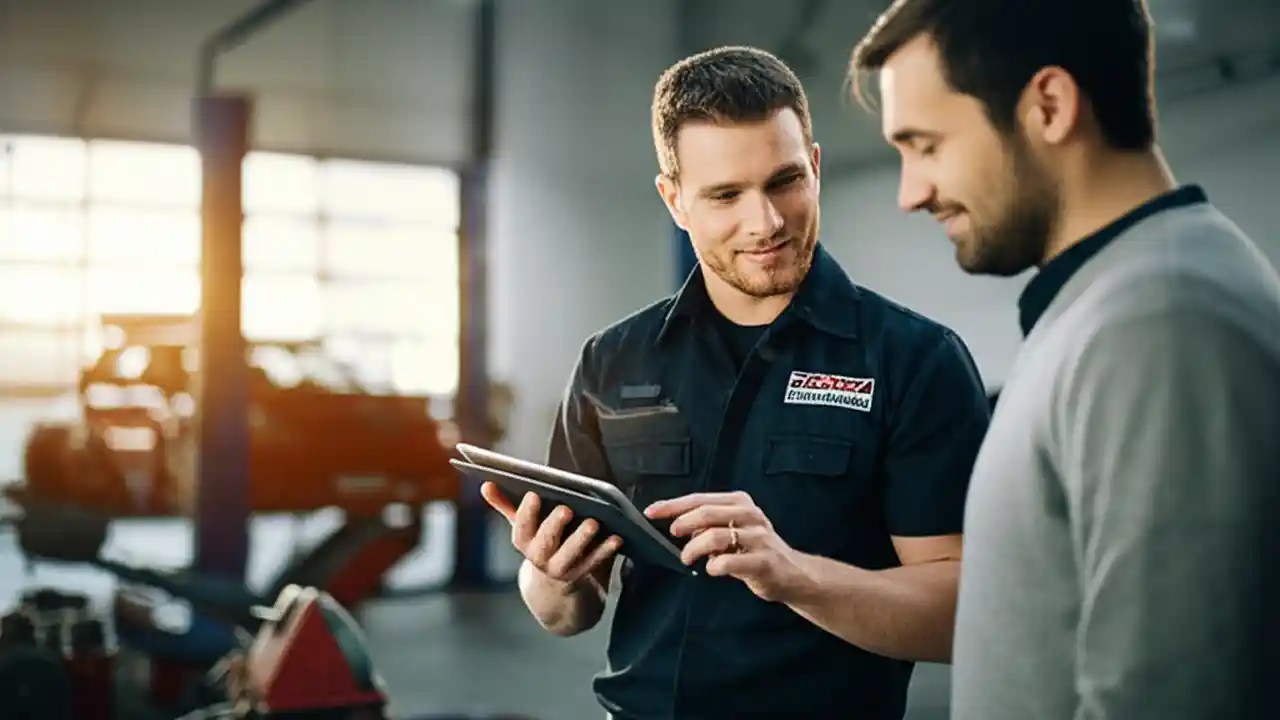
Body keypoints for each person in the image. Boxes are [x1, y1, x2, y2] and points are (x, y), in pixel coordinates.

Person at [480, 46, 991, 719]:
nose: (766, 222)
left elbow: (964, 613)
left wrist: (793, 576)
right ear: (675, 200)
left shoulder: (914, 362)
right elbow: (569, 612)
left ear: (814, 167)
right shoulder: (613, 360)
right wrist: (550, 575)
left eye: (785, 181)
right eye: (726, 195)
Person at [849, 1, 1280, 718]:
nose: (910, 193)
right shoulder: (1112, 306)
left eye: (926, 145)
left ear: (1049, 106)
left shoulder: (1160, 323)